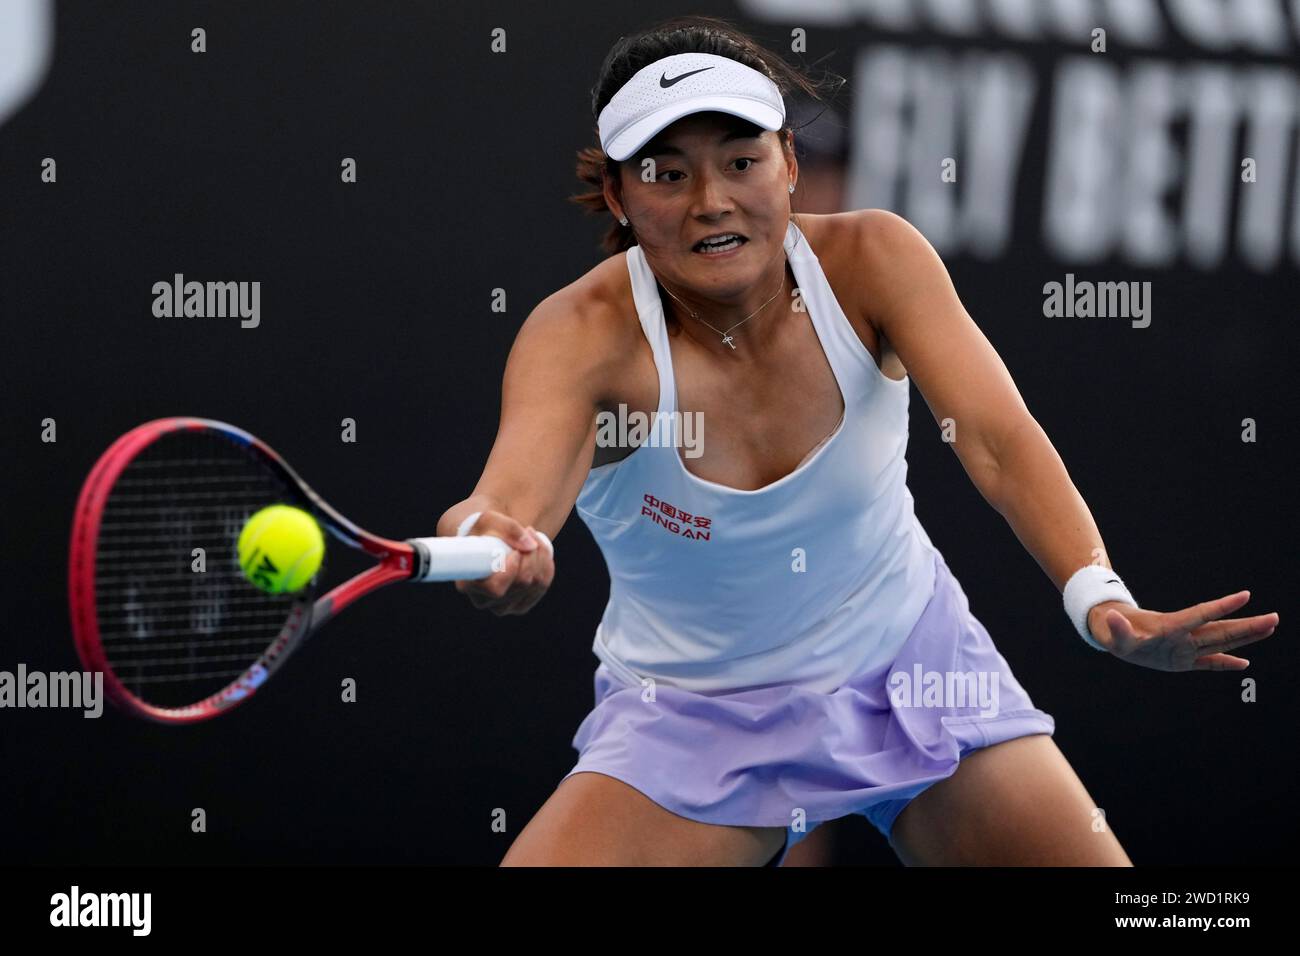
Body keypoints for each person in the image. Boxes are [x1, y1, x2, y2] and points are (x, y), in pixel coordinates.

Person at [436, 16, 1279, 867]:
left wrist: (1098, 596)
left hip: (910, 666)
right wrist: (491, 542)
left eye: (741, 160)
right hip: (689, 716)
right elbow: (510, 503)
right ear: (618, 196)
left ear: (790, 167)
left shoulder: (876, 259)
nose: (712, 201)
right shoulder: (579, 335)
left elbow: (993, 438)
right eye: (667, 173)